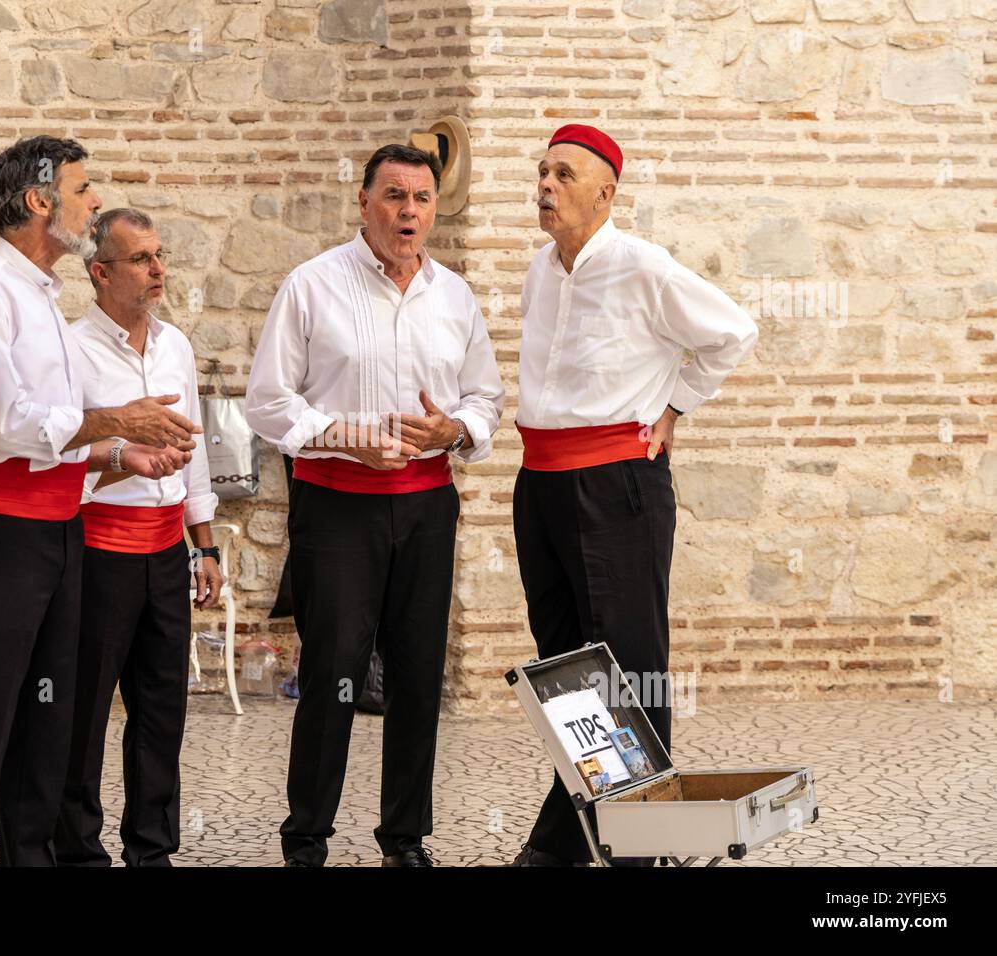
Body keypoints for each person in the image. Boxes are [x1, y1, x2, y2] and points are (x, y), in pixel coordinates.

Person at [0, 136, 201, 867]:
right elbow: (10, 423)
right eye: (83, 188)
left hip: (58, 528)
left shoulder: (42, 293)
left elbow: (58, 437)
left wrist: (116, 452)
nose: (95, 201)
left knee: (47, 722)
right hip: (2, 534)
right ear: (41, 200)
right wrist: (119, 421)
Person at [246, 143, 505, 867]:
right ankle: (306, 840)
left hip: (426, 507)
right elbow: (268, 401)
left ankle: (404, 839)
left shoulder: (454, 295)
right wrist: (340, 437)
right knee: (333, 674)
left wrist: (455, 429)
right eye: (394, 196)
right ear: (363, 203)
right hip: (336, 511)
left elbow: (486, 397)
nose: (409, 212)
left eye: (421, 199)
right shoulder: (311, 285)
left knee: (420, 678)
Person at [509, 124, 758, 867]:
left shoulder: (643, 265)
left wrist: (675, 406)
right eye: (543, 172)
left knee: (628, 667)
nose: (546, 186)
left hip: (617, 485)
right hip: (541, 483)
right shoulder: (539, 269)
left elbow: (731, 332)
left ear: (605, 194)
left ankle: (635, 851)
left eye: (564, 175)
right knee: (566, 676)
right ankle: (573, 839)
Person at [54, 208, 223, 867]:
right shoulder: (71, 348)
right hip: (98, 551)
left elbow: (195, 453)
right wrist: (121, 452)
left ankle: (151, 851)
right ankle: (78, 851)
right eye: (141, 259)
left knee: (161, 710)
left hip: (165, 552)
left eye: (160, 256)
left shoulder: (176, 345)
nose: (159, 269)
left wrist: (203, 545)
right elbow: (55, 450)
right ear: (99, 272)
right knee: (84, 711)